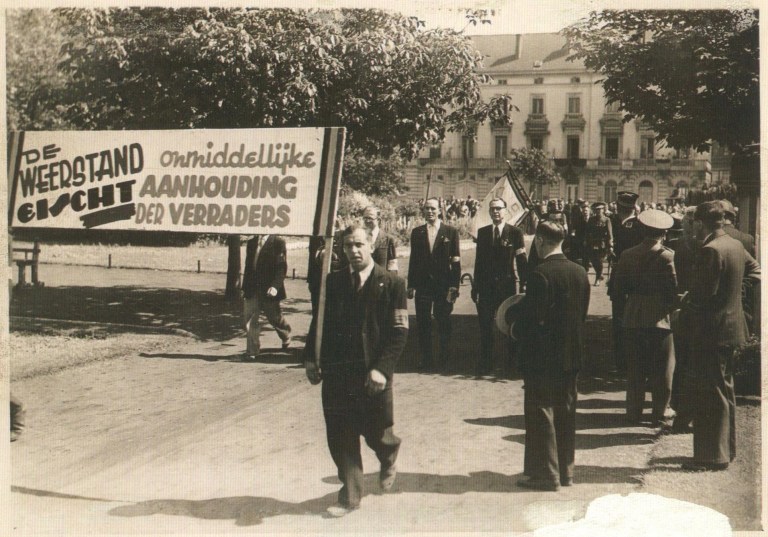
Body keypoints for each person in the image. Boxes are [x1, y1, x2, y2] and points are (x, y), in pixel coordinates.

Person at [304, 225, 408, 517]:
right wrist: (311, 358)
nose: (354, 251)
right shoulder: (332, 282)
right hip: (338, 373)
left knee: (377, 432)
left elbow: (399, 333)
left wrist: (382, 369)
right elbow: (319, 323)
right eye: (348, 246)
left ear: (371, 245)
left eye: (359, 244)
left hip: (373, 374)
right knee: (340, 434)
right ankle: (349, 496)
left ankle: (388, 454)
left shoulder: (393, 283)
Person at [506, 220, 590, 491]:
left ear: (540, 241)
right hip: (572, 353)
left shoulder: (540, 274)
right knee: (567, 412)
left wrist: (514, 327)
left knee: (541, 412)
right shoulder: (580, 272)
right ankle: (566, 471)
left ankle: (545, 474)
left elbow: (533, 319)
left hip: (542, 357)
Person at [677, 201, 760, 471]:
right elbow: (755, 270)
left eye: (695, 223)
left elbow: (703, 296)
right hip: (731, 328)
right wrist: (735, 297)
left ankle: (711, 456)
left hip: (711, 331)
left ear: (701, 223)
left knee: (710, 391)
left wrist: (688, 304)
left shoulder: (711, 250)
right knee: (724, 389)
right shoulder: (735, 245)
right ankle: (727, 449)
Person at [610, 209, 677, 425]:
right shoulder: (667, 256)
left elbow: (618, 288)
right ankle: (659, 413)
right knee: (663, 369)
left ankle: (633, 413)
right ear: (664, 233)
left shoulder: (627, 255)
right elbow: (673, 290)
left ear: (643, 231)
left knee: (635, 368)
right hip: (659, 318)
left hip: (633, 315)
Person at [471, 198, 528, 376]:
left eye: (499, 208)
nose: (496, 212)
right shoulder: (483, 233)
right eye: (492, 209)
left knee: (509, 324)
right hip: (486, 287)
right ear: (489, 212)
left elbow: (521, 259)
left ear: (505, 211)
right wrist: (476, 287)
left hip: (506, 285)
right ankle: (486, 361)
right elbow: (479, 262)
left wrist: (525, 283)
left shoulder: (515, 233)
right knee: (485, 325)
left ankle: (511, 362)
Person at [407, 197, 461, 371]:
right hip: (423, 285)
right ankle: (426, 358)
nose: (430, 212)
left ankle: (444, 357)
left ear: (440, 210)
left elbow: (456, 261)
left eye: (433, 209)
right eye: (427, 209)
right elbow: (413, 260)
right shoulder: (417, 232)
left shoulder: (450, 232)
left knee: (443, 320)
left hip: (443, 285)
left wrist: (454, 286)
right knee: (423, 322)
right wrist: (411, 284)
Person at [606, 191, 643, 372]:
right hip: (619, 276)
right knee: (619, 319)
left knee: (631, 319)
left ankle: (629, 360)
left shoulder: (639, 225)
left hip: (633, 278)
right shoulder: (612, 221)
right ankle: (621, 360)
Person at [241, 234, 292, 360]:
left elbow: (281, 267)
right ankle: (252, 351)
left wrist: (275, 286)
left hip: (269, 289)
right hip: (252, 288)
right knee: (250, 319)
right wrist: (245, 287)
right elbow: (249, 266)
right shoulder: (251, 242)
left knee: (274, 317)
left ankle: (285, 333)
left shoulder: (278, 242)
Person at [362, 206, 399, 273]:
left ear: (378, 220)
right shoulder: (359, 237)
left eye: (370, 218)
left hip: (381, 280)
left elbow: (392, 266)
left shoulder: (388, 239)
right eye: (365, 218)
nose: (367, 221)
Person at [584, 202, 613, 286]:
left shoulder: (607, 220)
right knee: (593, 260)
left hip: (602, 244)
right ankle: (600, 274)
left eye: (600, 210)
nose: (598, 211)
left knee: (599, 261)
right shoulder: (591, 219)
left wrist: (610, 245)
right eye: (596, 210)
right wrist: (585, 240)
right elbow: (587, 231)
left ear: (603, 210)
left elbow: (610, 233)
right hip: (592, 243)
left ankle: (598, 278)